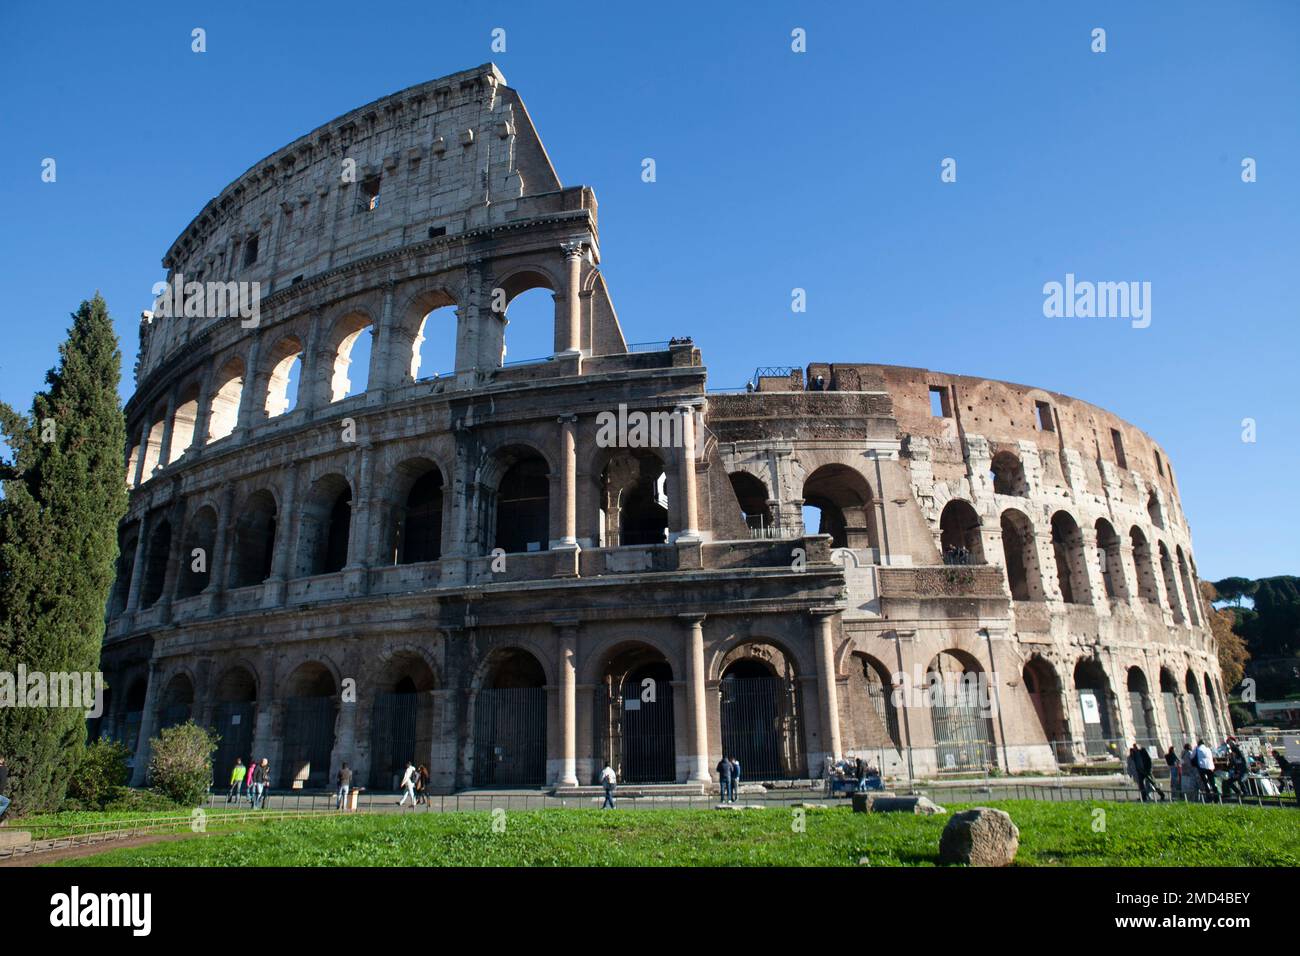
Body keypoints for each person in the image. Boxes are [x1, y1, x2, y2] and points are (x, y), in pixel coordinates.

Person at [0, 756, 10, 824]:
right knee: (6, 801)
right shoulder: (3, 768)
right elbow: (3, 782)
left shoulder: (2, 769)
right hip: (0, 791)